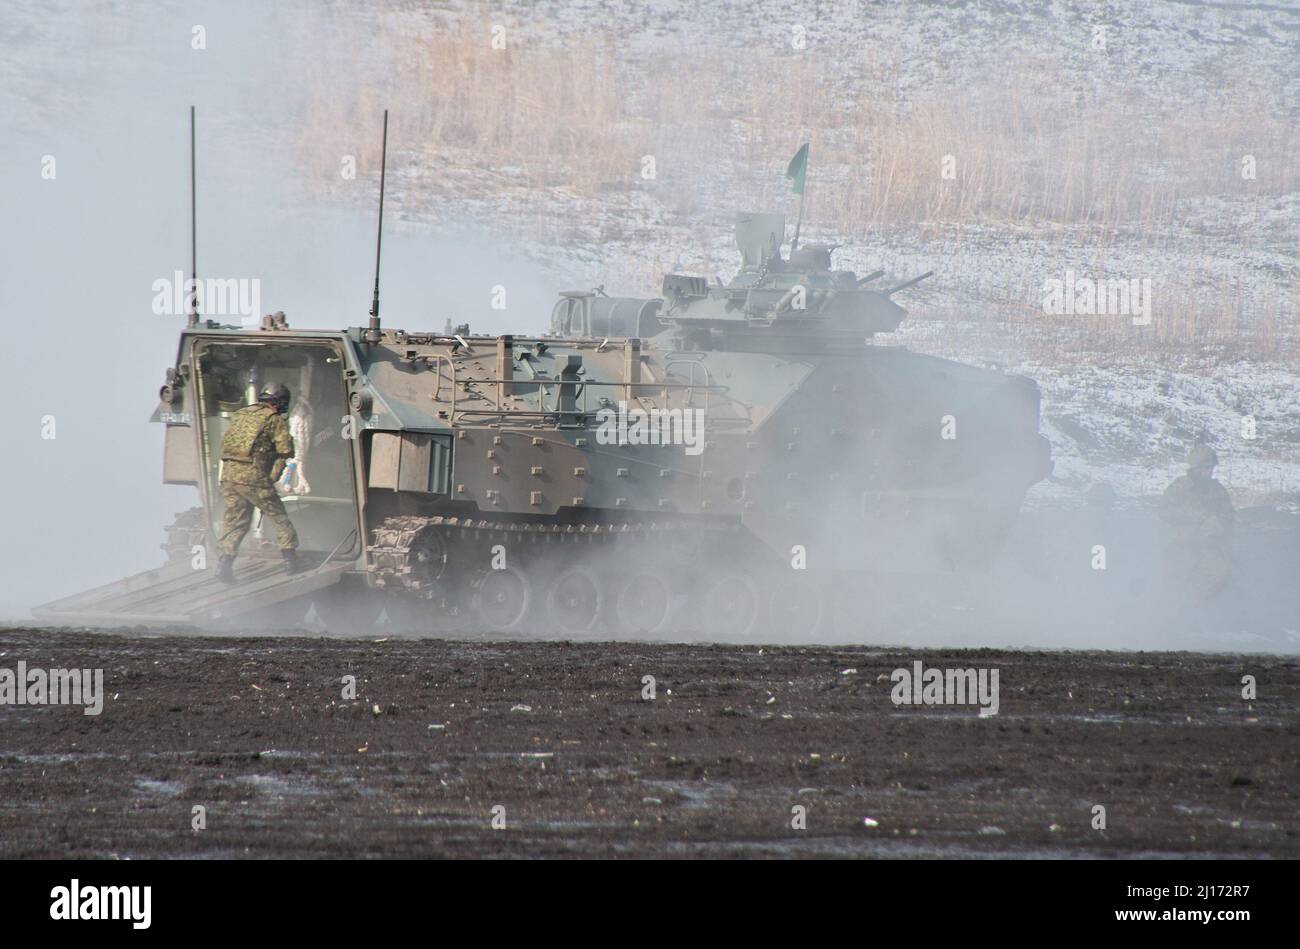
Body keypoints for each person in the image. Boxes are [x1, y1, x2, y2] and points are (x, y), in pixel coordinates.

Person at [215, 382, 303, 581]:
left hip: (228, 477)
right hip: (253, 477)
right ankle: (291, 561)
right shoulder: (273, 419)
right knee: (278, 517)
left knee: (236, 522)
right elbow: (286, 451)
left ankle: (224, 564)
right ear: (278, 403)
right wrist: (271, 479)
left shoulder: (241, 414)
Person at [1160, 442, 1234, 596]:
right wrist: (1196, 516)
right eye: (1204, 467)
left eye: (1210, 467)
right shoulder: (1180, 487)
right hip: (1180, 545)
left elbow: (1229, 517)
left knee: (1221, 574)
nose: (1208, 471)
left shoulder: (1218, 491)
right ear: (1195, 467)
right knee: (1174, 582)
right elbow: (1164, 511)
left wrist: (1218, 525)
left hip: (1209, 546)